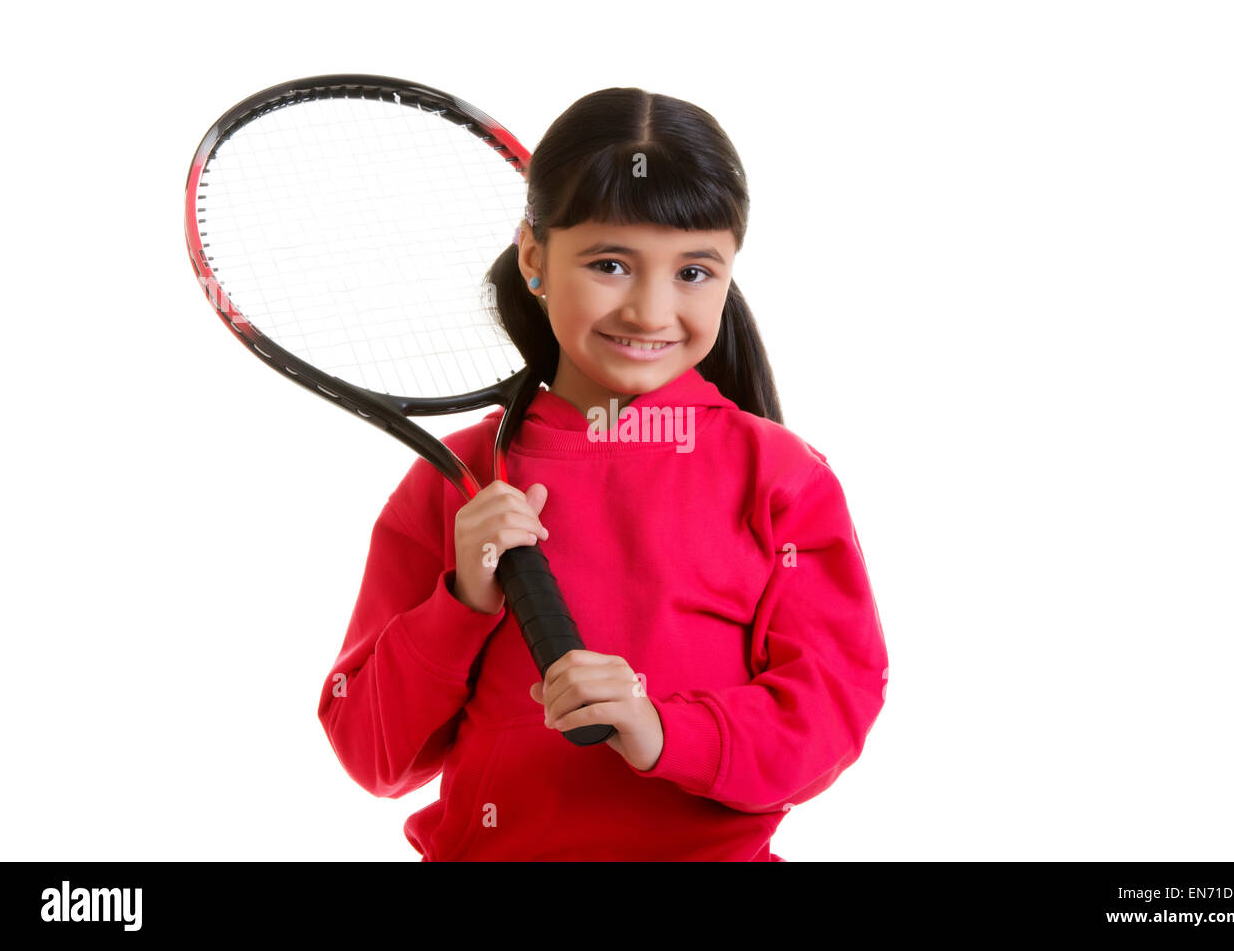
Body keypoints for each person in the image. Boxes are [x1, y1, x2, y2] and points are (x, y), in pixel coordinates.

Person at [317, 86, 889, 861]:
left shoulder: (781, 477)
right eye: (611, 264)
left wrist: (665, 731)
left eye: (694, 272)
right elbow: (370, 753)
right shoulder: (454, 484)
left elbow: (828, 717)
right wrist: (461, 600)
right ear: (533, 259)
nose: (652, 312)